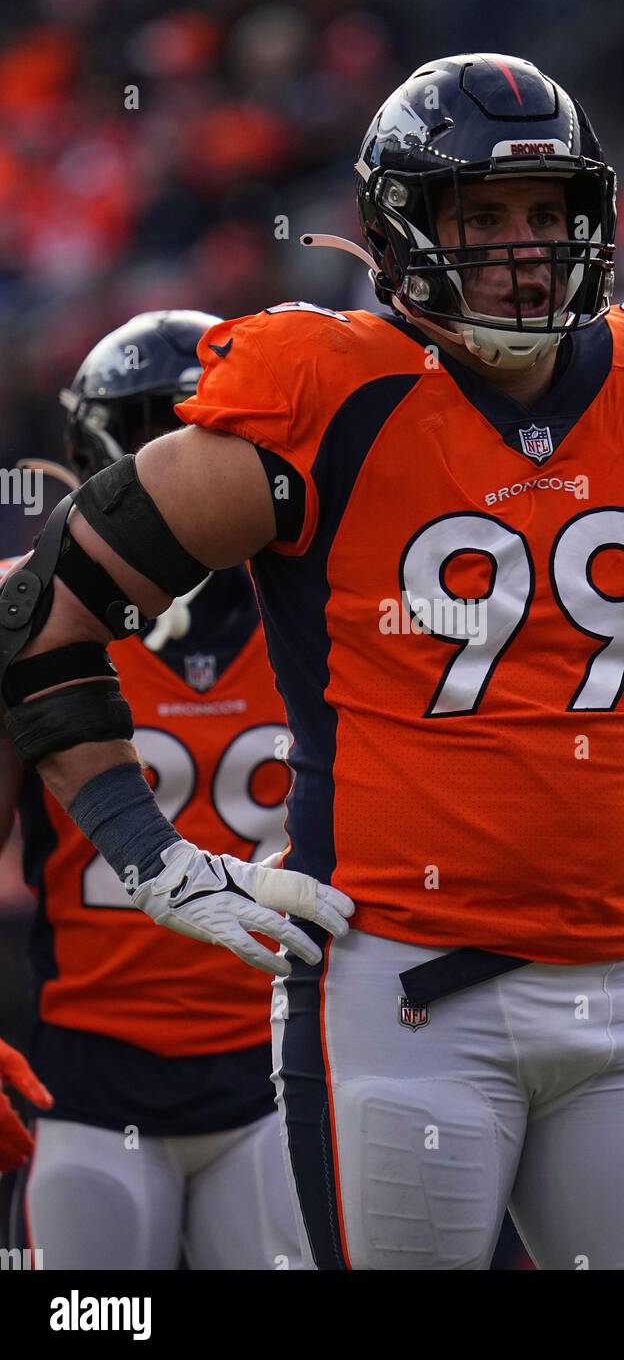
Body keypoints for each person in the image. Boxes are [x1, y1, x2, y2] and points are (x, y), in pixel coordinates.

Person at [0, 54, 624, 1270]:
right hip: (401, 999)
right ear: (400, 231)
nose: (523, 249)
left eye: (545, 214)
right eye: (480, 218)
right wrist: (149, 852)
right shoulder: (322, 390)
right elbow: (39, 616)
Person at [0, 311, 303, 1270]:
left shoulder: (323, 615)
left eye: (202, 434)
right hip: (84, 1084)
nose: (172, 466)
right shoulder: (33, 617)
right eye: (148, 439)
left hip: (280, 1077)